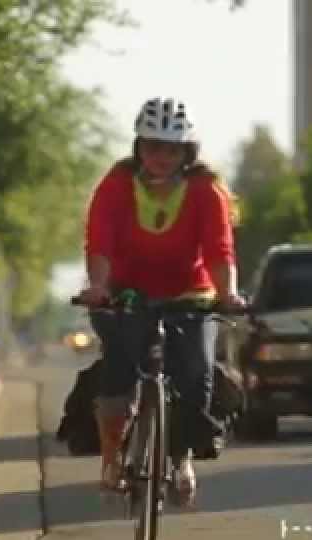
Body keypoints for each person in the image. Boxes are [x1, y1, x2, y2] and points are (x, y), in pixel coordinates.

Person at [76, 96, 245, 506]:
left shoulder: (206, 190)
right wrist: (99, 286)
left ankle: (181, 456)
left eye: (172, 148)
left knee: (195, 375)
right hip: (127, 292)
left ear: (187, 150)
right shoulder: (116, 184)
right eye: (153, 146)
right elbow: (100, 242)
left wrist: (227, 296)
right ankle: (113, 458)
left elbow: (220, 251)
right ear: (139, 147)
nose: (162, 156)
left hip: (191, 294)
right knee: (120, 368)